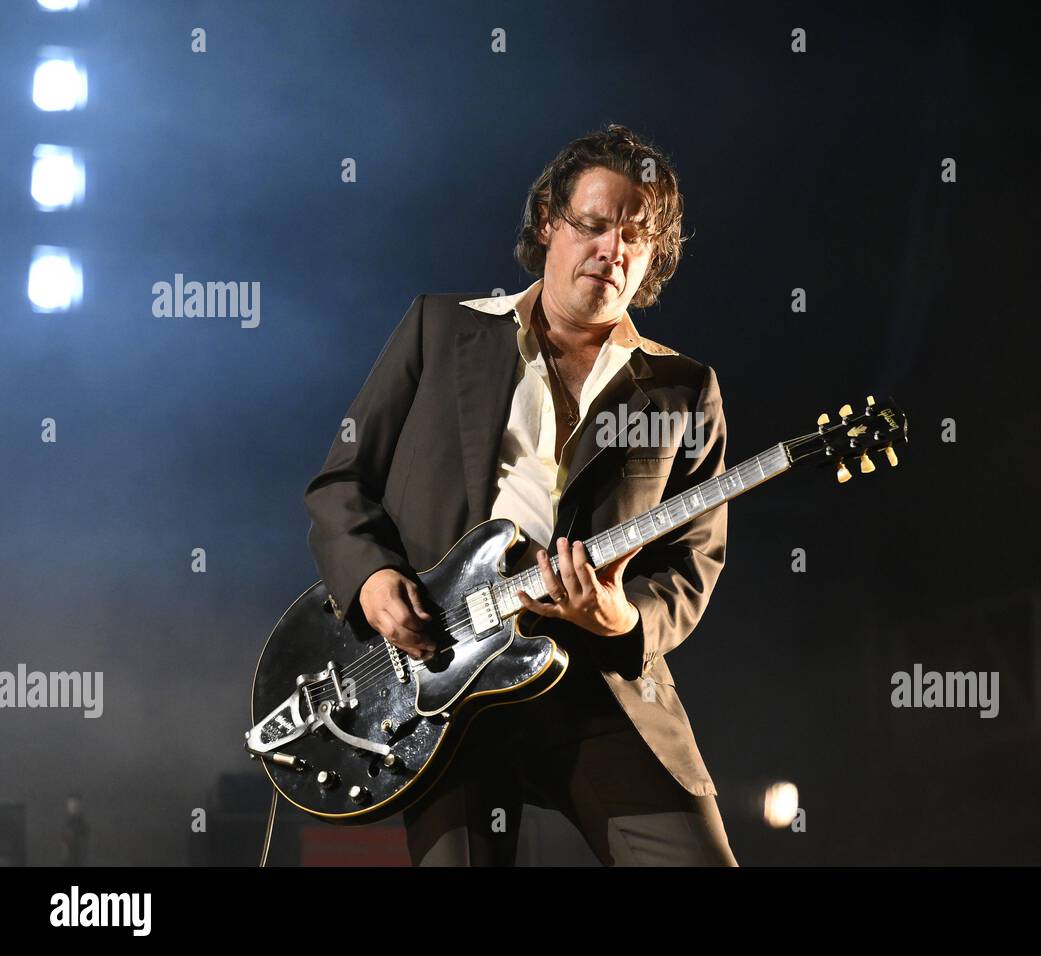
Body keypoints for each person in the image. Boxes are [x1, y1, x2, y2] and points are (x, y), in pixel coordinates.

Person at [304, 124, 736, 865]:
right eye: (594, 225)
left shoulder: (683, 388)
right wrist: (373, 579)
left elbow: (694, 565)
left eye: (635, 237)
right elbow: (341, 483)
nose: (612, 250)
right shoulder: (438, 330)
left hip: (597, 684)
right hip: (443, 678)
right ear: (547, 223)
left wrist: (623, 616)